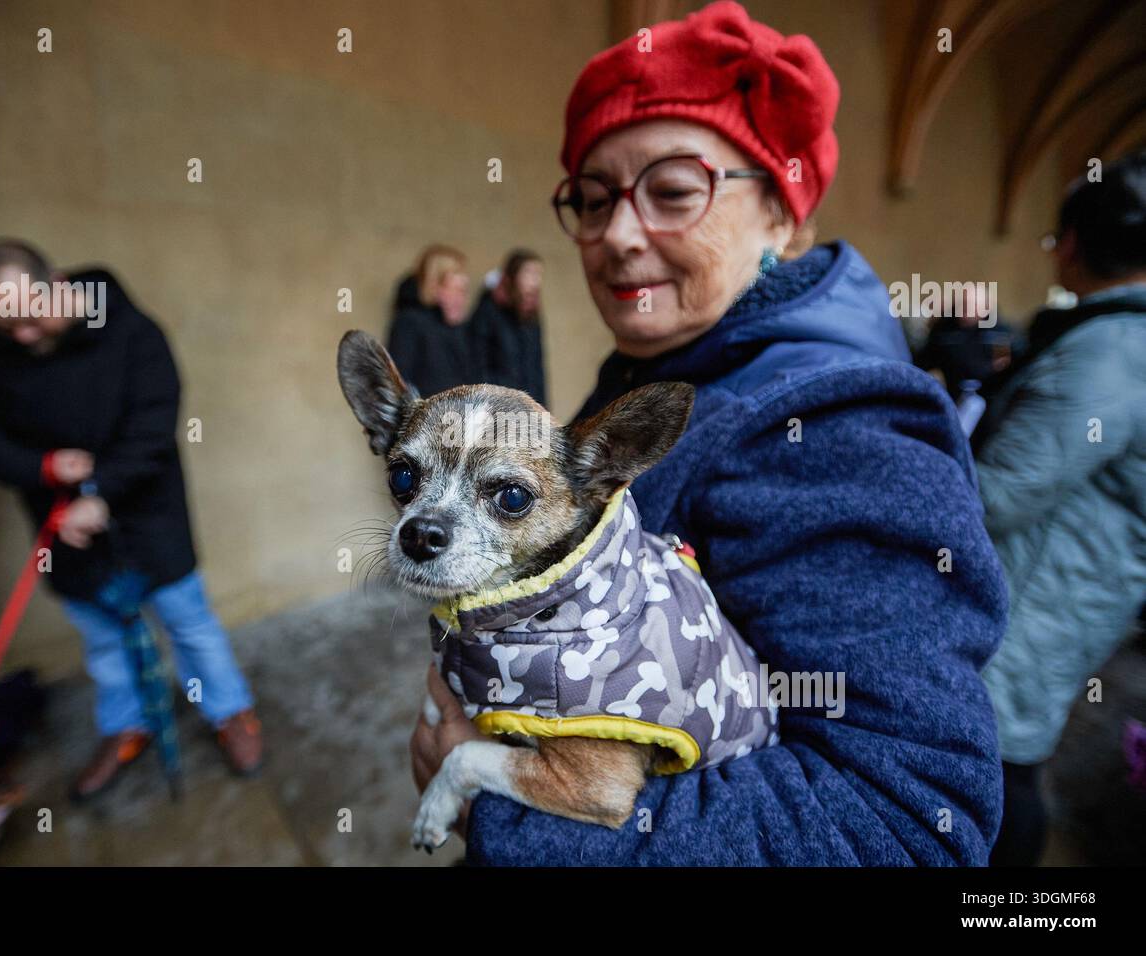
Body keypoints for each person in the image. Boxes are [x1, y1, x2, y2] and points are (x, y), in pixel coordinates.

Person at [409, 1, 1008, 865]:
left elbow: (906, 823)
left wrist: (503, 811)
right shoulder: (662, 368)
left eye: (674, 190)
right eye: (591, 195)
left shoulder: (836, 431)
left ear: (782, 215)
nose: (617, 235)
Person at [0, 239, 263, 800]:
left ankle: (230, 713)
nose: (21, 336)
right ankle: (126, 725)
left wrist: (99, 493)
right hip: (60, 527)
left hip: (147, 515)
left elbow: (154, 424)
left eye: (29, 318)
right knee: (103, 640)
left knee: (189, 625)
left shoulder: (131, 331)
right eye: (6, 327)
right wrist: (44, 466)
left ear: (57, 282)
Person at [973, 151, 1146, 866]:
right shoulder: (1117, 340)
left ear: (1073, 243)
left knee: (999, 768)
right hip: (1075, 587)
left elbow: (999, 497)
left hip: (1038, 601)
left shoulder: (1108, 352)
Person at [386, 245, 474, 397]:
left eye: (464, 291)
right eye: (457, 290)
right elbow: (399, 384)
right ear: (436, 287)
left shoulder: (458, 328)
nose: (462, 299)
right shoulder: (409, 322)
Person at [913, 283, 1018, 402]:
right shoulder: (944, 330)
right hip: (952, 395)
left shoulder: (1000, 333)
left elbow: (1007, 365)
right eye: (963, 304)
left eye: (973, 305)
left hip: (990, 397)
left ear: (987, 307)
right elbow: (923, 360)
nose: (966, 309)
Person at [469, 249, 547, 405]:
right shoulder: (488, 312)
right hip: (496, 410)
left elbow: (538, 372)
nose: (535, 281)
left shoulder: (531, 319)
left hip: (528, 412)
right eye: (529, 273)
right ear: (512, 276)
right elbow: (477, 367)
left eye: (538, 274)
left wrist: (543, 412)